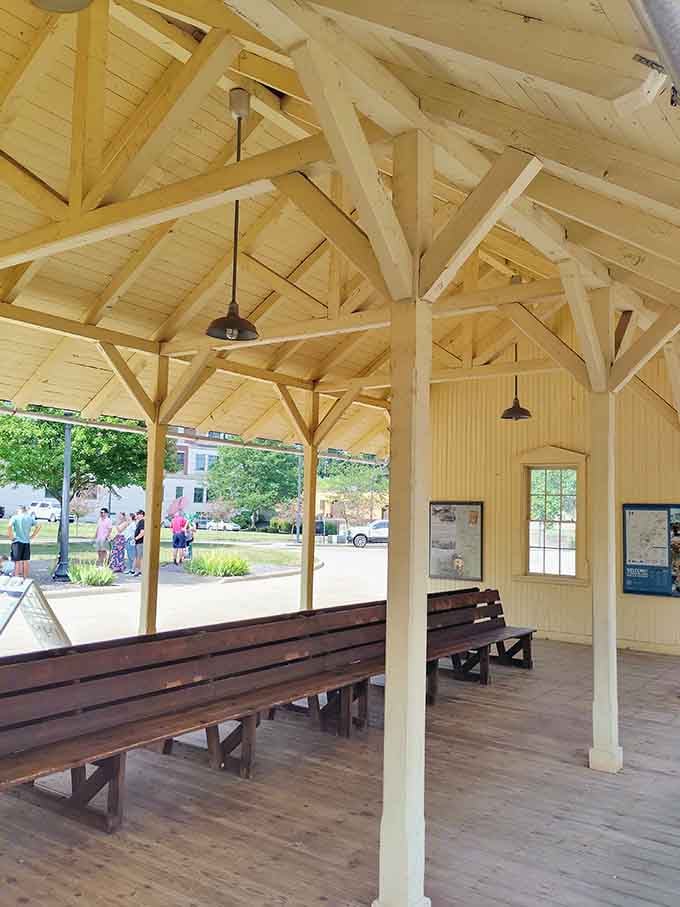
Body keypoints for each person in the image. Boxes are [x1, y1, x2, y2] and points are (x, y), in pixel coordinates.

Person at [7, 505, 40, 578]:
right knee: (25, 561)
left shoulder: (15, 517)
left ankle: (16, 577)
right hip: (26, 542)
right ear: (25, 510)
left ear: (19, 510)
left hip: (17, 541)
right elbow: (38, 526)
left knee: (17, 561)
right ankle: (25, 577)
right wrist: (33, 535)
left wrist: (10, 536)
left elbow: (9, 526)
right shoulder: (29, 518)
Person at [133, 509, 145, 577]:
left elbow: (142, 532)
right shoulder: (140, 522)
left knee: (139, 557)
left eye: (137, 514)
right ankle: (139, 571)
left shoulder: (142, 522)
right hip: (139, 542)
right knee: (139, 557)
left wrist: (135, 538)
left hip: (140, 542)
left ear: (141, 514)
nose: (136, 516)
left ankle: (140, 571)